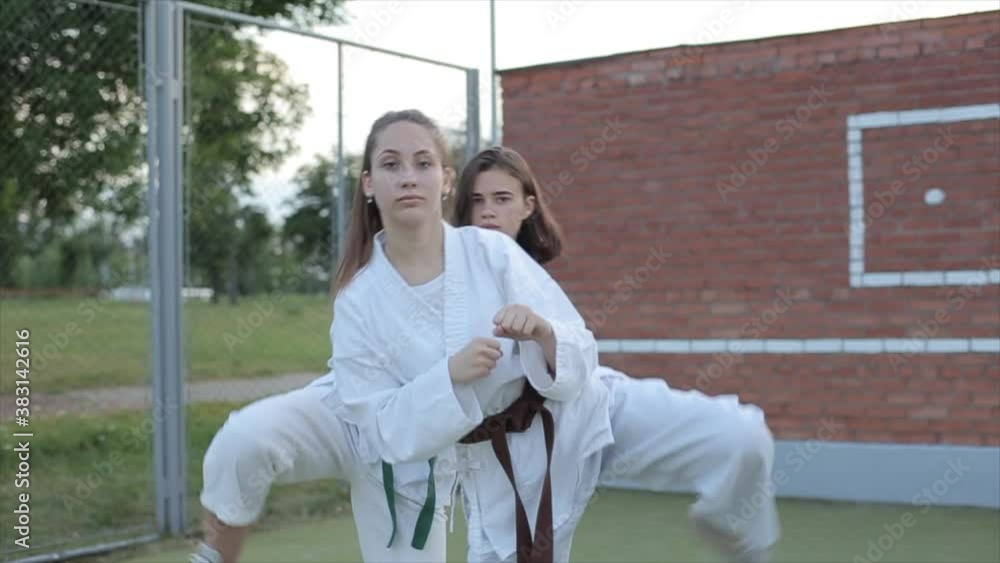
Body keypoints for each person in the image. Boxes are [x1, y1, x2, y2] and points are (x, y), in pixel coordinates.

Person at [193, 110, 612, 563]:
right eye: (392, 165)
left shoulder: (493, 254)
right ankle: (216, 556)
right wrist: (449, 376)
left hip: (454, 444)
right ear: (369, 184)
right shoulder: (359, 295)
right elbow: (382, 427)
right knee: (244, 440)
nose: (408, 177)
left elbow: (579, 352)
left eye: (423, 163)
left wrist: (544, 333)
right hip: (378, 429)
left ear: (446, 179)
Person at [449, 146, 781, 563]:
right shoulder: (449, 283)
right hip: (518, 457)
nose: (488, 213)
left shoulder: (532, 275)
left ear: (528, 206)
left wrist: (542, 331)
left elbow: (577, 351)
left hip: (593, 410)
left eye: (502, 199)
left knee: (743, 435)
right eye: (477, 202)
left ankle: (730, 526)